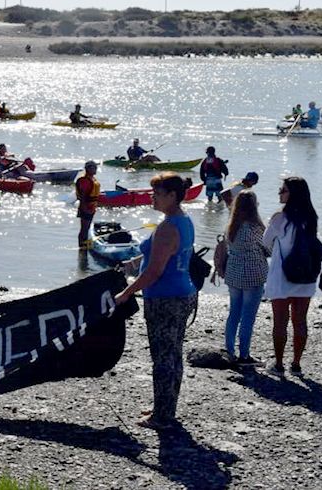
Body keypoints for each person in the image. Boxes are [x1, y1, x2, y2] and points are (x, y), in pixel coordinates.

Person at [115, 173, 196, 429]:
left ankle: (162, 415)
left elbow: (155, 271)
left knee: (163, 356)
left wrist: (127, 292)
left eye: (158, 193)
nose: (153, 197)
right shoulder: (184, 221)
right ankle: (165, 405)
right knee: (173, 353)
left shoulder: (168, 227)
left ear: (172, 196)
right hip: (182, 293)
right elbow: (157, 257)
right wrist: (133, 264)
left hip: (165, 298)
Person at [262, 176, 322, 376]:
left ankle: (279, 365)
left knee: (280, 321)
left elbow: (266, 242)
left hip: (282, 276)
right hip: (306, 274)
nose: (279, 192)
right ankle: (296, 364)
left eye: (283, 190)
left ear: (292, 194)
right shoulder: (311, 218)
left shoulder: (280, 218)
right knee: (300, 321)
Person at [216, 191, 268, 365]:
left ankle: (230, 349)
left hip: (233, 273)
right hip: (253, 274)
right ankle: (244, 355)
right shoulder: (255, 228)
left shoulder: (231, 226)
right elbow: (269, 249)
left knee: (234, 313)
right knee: (248, 316)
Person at [75, 161, 100, 245]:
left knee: (87, 227)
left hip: (92, 207)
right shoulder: (84, 180)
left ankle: (85, 244)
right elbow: (82, 196)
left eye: (96, 167)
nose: (96, 169)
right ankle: (82, 245)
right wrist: (84, 208)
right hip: (86, 207)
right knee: (84, 228)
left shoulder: (93, 179)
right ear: (87, 169)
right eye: (93, 167)